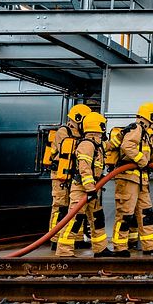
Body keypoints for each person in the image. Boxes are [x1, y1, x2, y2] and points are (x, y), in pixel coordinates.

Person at [110, 102, 153, 256]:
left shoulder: (148, 136)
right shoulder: (136, 129)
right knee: (125, 214)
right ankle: (119, 248)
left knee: (146, 213)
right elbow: (127, 146)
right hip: (128, 179)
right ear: (150, 117)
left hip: (141, 181)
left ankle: (150, 246)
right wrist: (143, 161)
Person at [56, 112, 114, 258]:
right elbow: (84, 167)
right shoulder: (87, 145)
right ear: (98, 126)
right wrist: (90, 188)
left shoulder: (97, 144)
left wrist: (122, 135)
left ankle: (100, 249)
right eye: (103, 126)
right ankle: (64, 251)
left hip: (93, 189)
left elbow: (111, 145)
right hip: (82, 189)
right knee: (75, 219)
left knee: (97, 218)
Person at [45, 103, 90, 251]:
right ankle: (55, 238)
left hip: (72, 175)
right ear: (78, 119)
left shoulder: (81, 135)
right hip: (60, 176)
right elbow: (71, 151)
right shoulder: (63, 132)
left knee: (76, 207)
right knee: (60, 207)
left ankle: (76, 238)